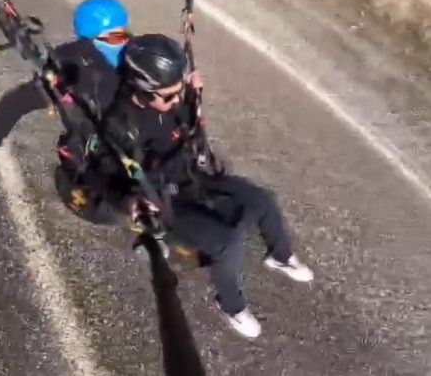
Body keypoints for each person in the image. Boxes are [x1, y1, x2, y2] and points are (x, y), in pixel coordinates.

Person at [87, 33, 314, 339]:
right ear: (141, 90)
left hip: (194, 177)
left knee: (262, 201)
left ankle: (280, 255)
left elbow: (186, 120)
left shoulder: (173, 102)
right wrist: (129, 202)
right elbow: (103, 175)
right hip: (165, 201)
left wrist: (192, 95)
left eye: (178, 92)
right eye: (168, 95)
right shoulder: (120, 125)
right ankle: (231, 305)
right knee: (226, 241)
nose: (175, 100)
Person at [0, 0, 131, 152]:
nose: (122, 41)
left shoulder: (74, 55)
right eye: (116, 36)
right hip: (126, 141)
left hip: (97, 146)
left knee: (14, 101)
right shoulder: (138, 56)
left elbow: (22, 96)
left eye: (122, 35)